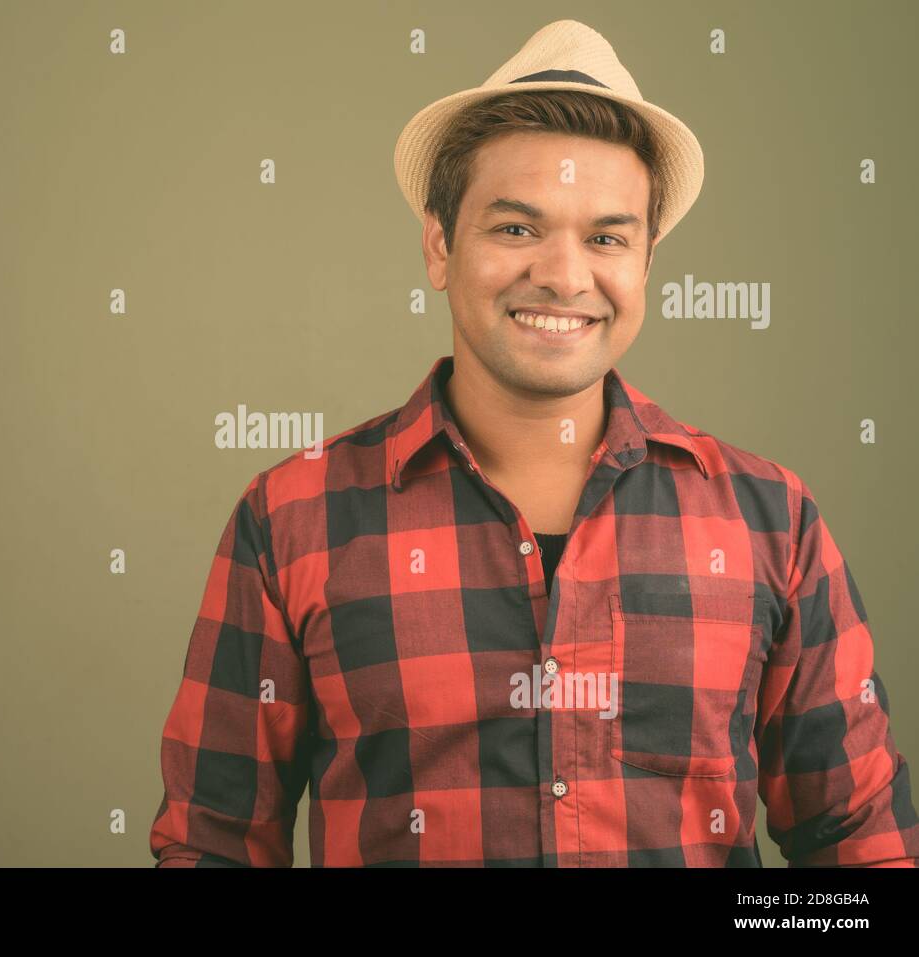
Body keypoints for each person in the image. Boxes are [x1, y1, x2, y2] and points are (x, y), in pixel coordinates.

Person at [148, 19, 919, 866]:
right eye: (516, 228)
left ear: (647, 260)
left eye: (606, 237)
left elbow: (863, 847)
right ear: (440, 245)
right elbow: (210, 844)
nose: (563, 273)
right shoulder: (292, 519)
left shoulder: (772, 520)